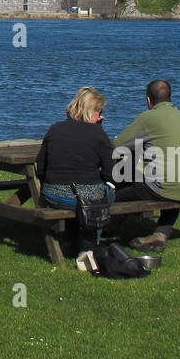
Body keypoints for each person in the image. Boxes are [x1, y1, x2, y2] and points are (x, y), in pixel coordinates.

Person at [110, 79, 180, 251]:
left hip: (170, 187)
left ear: (148, 100)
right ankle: (160, 233)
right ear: (170, 98)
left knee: (122, 193)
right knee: (170, 184)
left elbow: (118, 146)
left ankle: (107, 230)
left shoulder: (149, 118)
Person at [36, 86, 115, 269]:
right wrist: (99, 130)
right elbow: (109, 173)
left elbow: (41, 168)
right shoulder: (98, 134)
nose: (101, 116)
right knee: (106, 194)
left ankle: (69, 240)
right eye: (100, 112)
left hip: (54, 195)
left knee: (82, 201)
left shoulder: (55, 129)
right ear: (93, 112)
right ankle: (88, 246)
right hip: (87, 197)